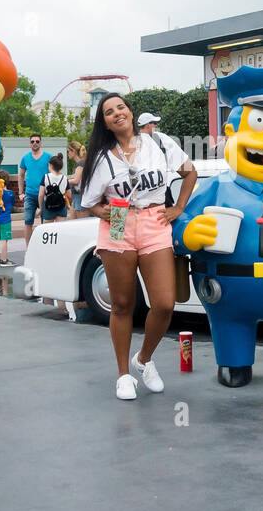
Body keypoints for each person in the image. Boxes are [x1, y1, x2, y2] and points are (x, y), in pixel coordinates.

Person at [80, 93, 197, 399]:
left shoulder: (158, 143)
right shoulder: (101, 157)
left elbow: (190, 171)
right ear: (103, 122)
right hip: (117, 222)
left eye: (121, 107)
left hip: (153, 221)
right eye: (108, 111)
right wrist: (99, 211)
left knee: (164, 303)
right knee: (121, 304)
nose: (117, 113)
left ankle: (143, 359)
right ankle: (123, 375)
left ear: (130, 113)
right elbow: (89, 201)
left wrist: (178, 208)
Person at [17, 133, 52, 245]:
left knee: (45, 223)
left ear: (41, 143)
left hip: (45, 195)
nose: (35, 143)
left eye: (37, 141)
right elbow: (21, 175)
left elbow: (54, 174)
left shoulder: (48, 157)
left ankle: (44, 248)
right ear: (30, 143)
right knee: (28, 222)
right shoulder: (25, 158)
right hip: (30, 195)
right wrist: (20, 193)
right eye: (32, 141)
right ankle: (29, 249)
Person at [39, 153, 70, 223]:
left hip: (48, 206)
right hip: (61, 205)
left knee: (47, 229)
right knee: (60, 229)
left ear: (50, 165)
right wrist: (68, 204)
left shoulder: (45, 177)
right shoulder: (65, 178)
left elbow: (40, 195)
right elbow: (69, 194)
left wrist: (41, 208)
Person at [68, 141, 86, 217]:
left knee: (81, 226)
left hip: (80, 197)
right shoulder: (80, 163)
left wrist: (63, 181)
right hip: (76, 197)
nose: (67, 153)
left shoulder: (80, 163)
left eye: (68, 151)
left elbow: (76, 180)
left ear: (73, 151)